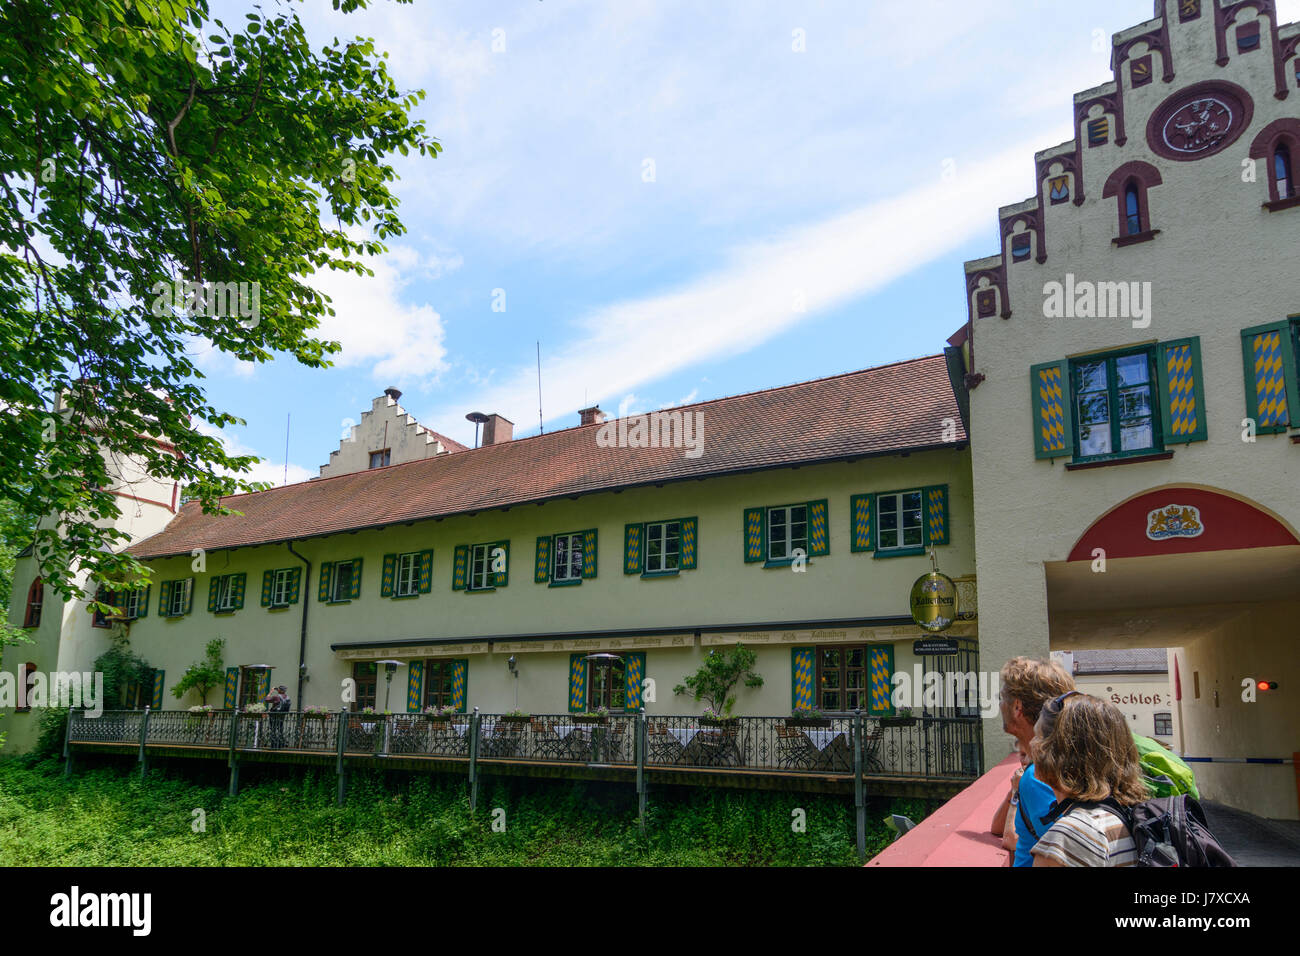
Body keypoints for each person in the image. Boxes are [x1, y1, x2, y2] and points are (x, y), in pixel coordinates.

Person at [1030, 692, 1150, 867]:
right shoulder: (1126, 815)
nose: (1033, 744)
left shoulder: (1069, 839)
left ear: (1057, 753)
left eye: (1039, 736)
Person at [998, 656, 1075, 866]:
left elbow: (1065, 855)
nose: (999, 705)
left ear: (1017, 707)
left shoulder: (1038, 775)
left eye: (1001, 698)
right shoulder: (1067, 759)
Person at [266, 684, 291, 748]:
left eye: (278, 689)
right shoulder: (288, 697)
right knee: (280, 730)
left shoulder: (276, 697)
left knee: (273, 730)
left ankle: (274, 745)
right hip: (282, 716)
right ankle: (281, 744)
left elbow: (267, 699)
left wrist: (271, 692)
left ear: (280, 690)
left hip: (274, 715)